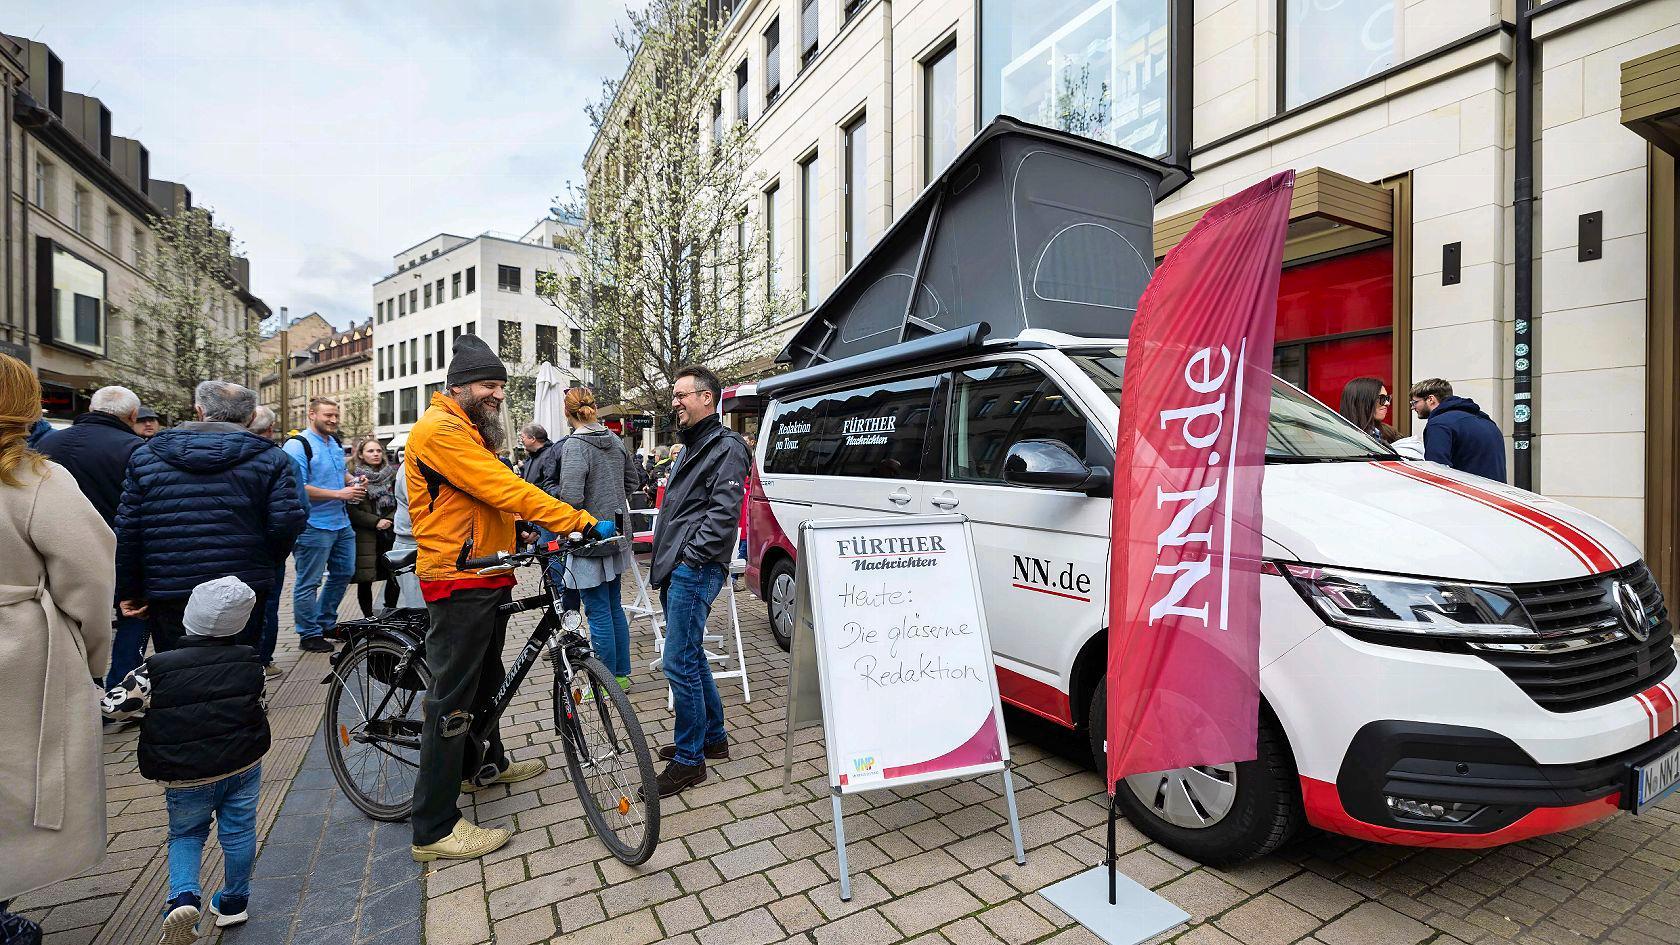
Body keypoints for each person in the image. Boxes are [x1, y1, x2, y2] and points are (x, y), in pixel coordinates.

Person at [405, 333, 604, 863]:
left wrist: (526, 534)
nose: (498, 394)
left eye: (500, 386)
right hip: (457, 576)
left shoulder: (470, 430)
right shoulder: (441, 431)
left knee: (488, 679)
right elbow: (501, 487)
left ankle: (484, 764)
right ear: (462, 387)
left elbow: (490, 504)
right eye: (490, 385)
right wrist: (574, 519)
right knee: (451, 697)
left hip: (487, 571)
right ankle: (434, 828)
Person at [0, 354, 115, 942]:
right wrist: (93, 659)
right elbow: (90, 576)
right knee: (14, 783)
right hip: (16, 653)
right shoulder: (32, 479)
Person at [102, 577, 269, 944]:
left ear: (190, 616)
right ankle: (234, 902)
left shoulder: (156, 669)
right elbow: (259, 701)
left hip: (186, 775)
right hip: (242, 765)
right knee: (239, 831)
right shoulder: (251, 662)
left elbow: (112, 706)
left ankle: (182, 897)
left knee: (186, 834)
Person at [117, 381, 307, 654]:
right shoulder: (271, 458)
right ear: (252, 417)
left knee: (175, 667)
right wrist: (265, 566)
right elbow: (286, 523)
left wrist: (131, 588)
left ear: (198, 410)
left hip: (170, 584)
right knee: (238, 666)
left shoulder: (147, 456)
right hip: (242, 583)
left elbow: (128, 529)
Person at [649, 365, 751, 797]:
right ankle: (713, 739)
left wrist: (691, 558)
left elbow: (724, 514)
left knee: (678, 662)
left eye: (681, 395)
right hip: (680, 564)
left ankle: (690, 762)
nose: (675, 402)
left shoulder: (725, 446)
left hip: (695, 566)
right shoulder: (693, 444)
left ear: (707, 398)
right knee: (690, 655)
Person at [35, 386, 148, 692]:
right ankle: (123, 691)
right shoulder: (135, 448)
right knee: (133, 616)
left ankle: (86, 689)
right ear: (133, 415)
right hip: (118, 550)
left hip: (55, 550)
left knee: (69, 621)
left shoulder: (48, 443)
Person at [555, 387, 640, 690]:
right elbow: (633, 480)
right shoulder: (613, 439)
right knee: (613, 606)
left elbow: (572, 497)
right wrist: (613, 501)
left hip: (589, 536)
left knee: (599, 611)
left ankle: (606, 683)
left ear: (567, 413)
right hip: (617, 533)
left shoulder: (575, 445)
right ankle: (618, 675)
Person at [285, 397, 364, 653]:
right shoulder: (298, 445)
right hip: (313, 525)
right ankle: (308, 633)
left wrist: (353, 481)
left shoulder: (334, 442)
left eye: (335, 415)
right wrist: (340, 494)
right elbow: (298, 488)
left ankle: (324, 622)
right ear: (311, 414)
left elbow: (339, 473)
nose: (333, 420)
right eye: (327, 415)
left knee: (344, 573)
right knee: (309, 582)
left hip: (340, 523)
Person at [246, 406, 290, 677]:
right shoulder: (276, 458)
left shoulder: (167, 451)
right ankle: (261, 662)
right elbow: (288, 516)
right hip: (264, 553)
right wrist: (279, 552)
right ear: (271, 429)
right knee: (266, 605)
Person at [1409, 378, 1507, 482]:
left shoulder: (1439, 424)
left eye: (1414, 402)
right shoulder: (1487, 422)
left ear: (1430, 399)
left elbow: (1437, 471)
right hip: (1495, 493)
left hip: (1464, 494)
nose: (1412, 407)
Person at [347, 438, 400, 618]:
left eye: (378, 451)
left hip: (390, 532)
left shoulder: (392, 474)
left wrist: (389, 520)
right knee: (366, 579)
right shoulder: (353, 477)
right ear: (361, 454)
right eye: (370, 451)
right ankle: (369, 617)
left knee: (394, 575)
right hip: (365, 535)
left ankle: (389, 612)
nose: (376, 454)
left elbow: (400, 502)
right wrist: (375, 521)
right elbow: (351, 509)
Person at [1337, 376, 1398, 445]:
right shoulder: (1339, 438)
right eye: (1382, 398)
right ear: (1362, 402)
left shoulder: (1391, 435)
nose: (1387, 403)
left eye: (1387, 398)